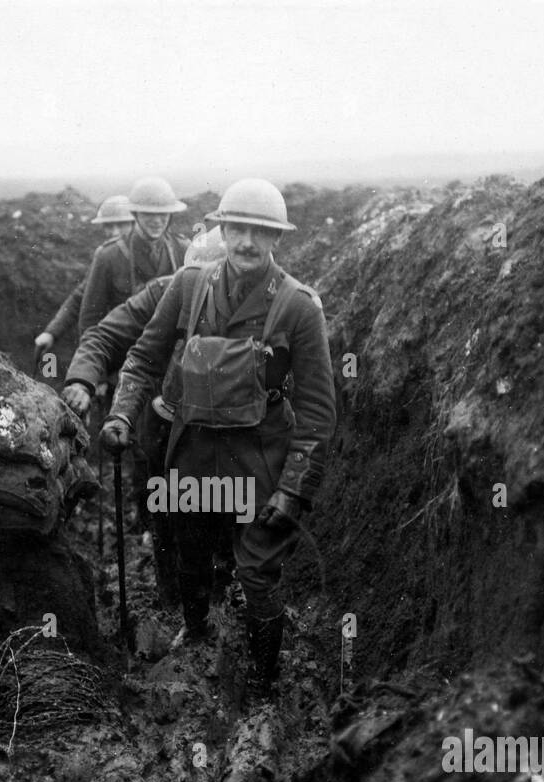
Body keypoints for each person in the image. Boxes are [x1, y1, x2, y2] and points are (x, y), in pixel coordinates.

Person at [100, 179, 336, 699]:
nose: (247, 242)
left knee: (256, 572)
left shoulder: (299, 307)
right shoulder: (189, 286)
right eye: (238, 229)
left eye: (261, 232)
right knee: (190, 549)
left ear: (278, 239)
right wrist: (122, 414)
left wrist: (293, 489)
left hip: (260, 457)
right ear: (222, 230)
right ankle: (197, 627)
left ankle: (262, 684)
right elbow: (142, 356)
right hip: (194, 451)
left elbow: (318, 412)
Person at [62, 228, 228, 607]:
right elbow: (104, 336)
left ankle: (222, 608)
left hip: (232, 434)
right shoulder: (162, 292)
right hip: (166, 425)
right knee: (167, 516)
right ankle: (174, 602)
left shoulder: (263, 304)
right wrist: (84, 381)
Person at [77, 176, 188, 337]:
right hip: (123, 351)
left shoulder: (182, 249)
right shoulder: (109, 256)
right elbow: (90, 320)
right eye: (148, 214)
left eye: (163, 213)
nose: (157, 220)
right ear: (135, 214)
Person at [33, 195, 135, 360]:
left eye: (121, 224)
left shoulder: (151, 255)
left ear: (134, 223)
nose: (114, 232)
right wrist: (51, 332)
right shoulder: (107, 259)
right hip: (120, 342)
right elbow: (80, 297)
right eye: (109, 225)